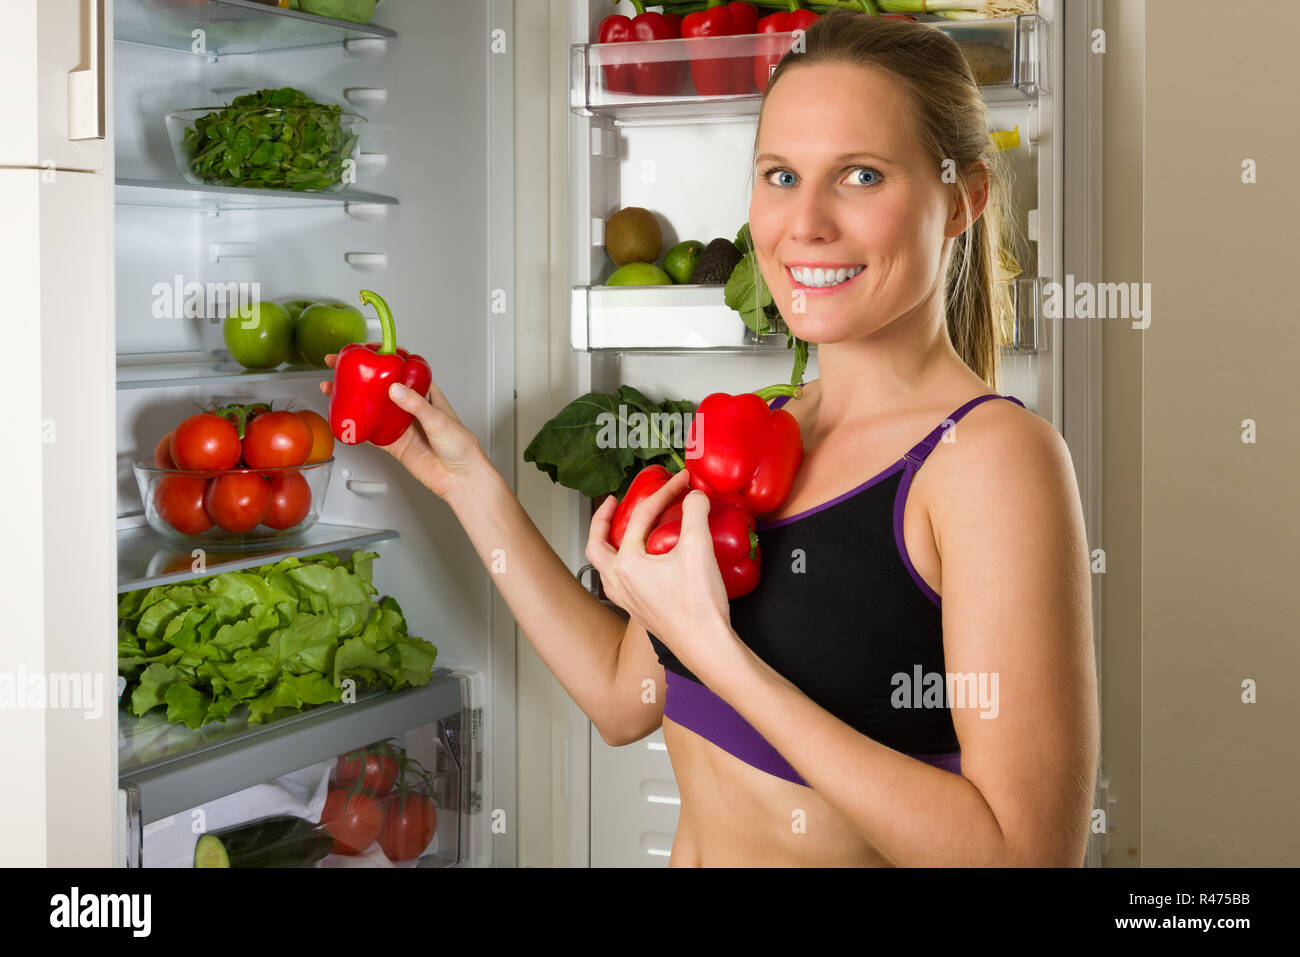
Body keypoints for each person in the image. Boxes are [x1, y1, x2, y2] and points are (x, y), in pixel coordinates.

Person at [324, 11, 1098, 867]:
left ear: (963, 198)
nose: (804, 223)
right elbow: (627, 699)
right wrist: (468, 484)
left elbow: (1025, 856)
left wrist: (722, 660)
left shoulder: (989, 461)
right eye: (779, 174)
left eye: (862, 175)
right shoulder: (760, 435)